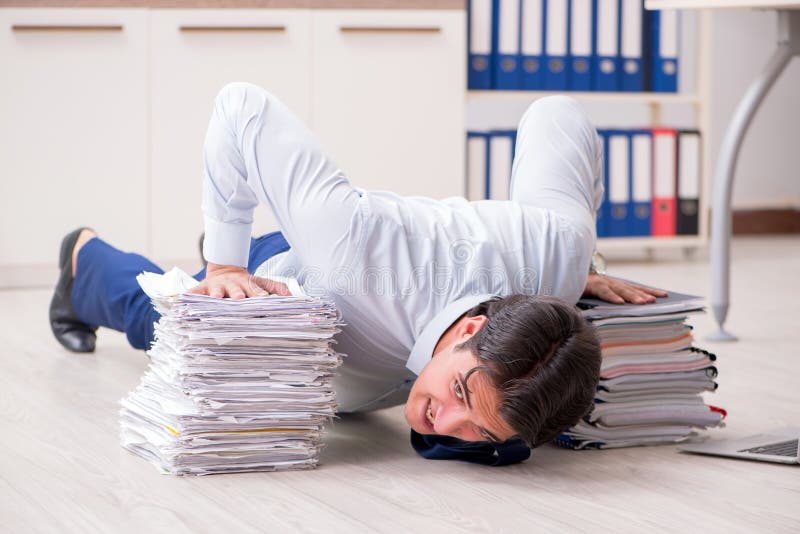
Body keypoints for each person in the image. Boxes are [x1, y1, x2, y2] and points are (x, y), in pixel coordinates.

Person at [49, 83, 665, 465]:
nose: (442, 427)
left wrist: (576, 274)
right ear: (466, 330)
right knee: (167, 326)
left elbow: (560, 117)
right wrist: (227, 262)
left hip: (387, 324)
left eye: (480, 429)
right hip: (295, 275)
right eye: (457, 396)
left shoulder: (560, 250)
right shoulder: (352, 249)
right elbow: (241, 107)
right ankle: (84, 259)